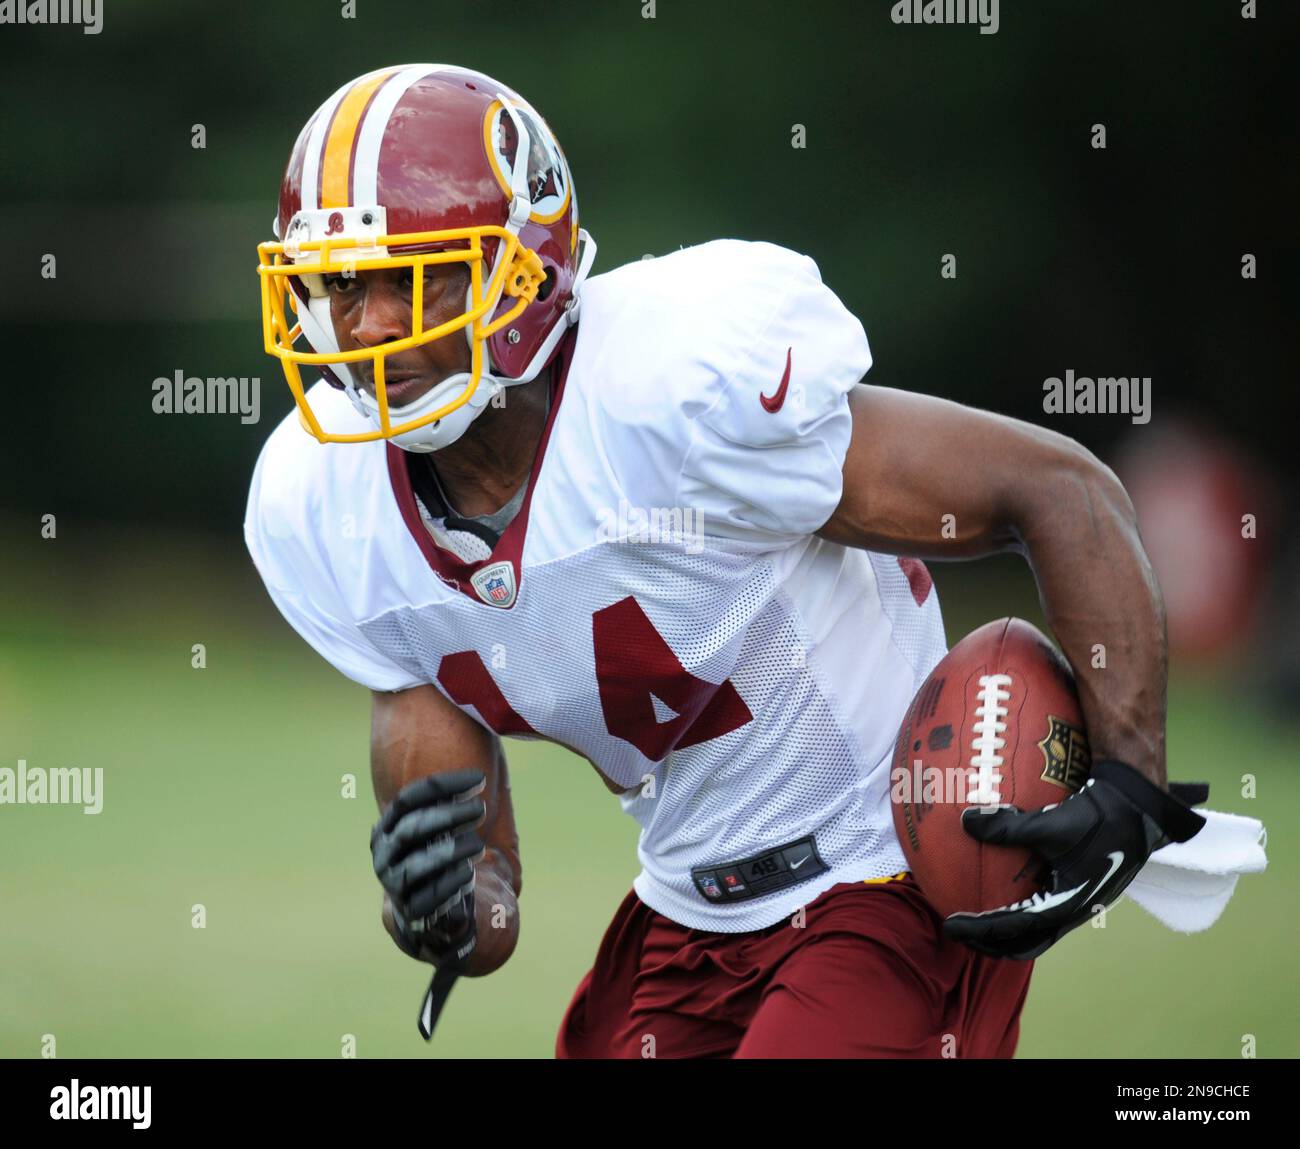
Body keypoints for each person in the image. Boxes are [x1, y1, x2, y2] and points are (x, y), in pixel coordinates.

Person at [245, 64, 1204, 1058]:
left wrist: (1131, 784)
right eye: (342, 285)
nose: (367, 326)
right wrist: (445, 911)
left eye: (409, 277)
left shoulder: (675, 391)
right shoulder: (323, 508)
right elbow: (483, 917)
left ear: (520, 269)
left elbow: (1057, 489)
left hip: (889, 877)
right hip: (687, 910)